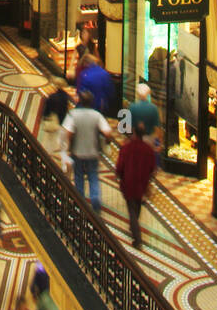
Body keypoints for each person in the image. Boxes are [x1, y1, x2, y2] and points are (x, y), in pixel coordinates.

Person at [62, 91, 113, 212]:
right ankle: (95, 205)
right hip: (93, 151)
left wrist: (68, 146)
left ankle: (80, 205)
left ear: (80, 101)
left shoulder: (73, 115)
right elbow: (108, 132)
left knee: (78, 177)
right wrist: (107, 142)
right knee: (93, 176)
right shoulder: (97, 115)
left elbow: (68, 132)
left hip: (77, 151)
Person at [115, 120, 157, 248]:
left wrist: (119, 175)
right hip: (142, 184)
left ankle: (137, 239)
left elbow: (120, 166)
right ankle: (133, 226)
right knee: (137, 205)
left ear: (134, 133)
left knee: (131, 209)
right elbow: (152, 168)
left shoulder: (126, 148)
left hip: (128, 182)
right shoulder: (148, 150)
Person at [127, 82, 162, 150]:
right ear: (148, 94)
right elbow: (157, 129)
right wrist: (157, 144)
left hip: (136, 140)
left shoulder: (132, 107)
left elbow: (129, 128)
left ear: (137, 94)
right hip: (150, 141)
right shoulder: (153, 108)